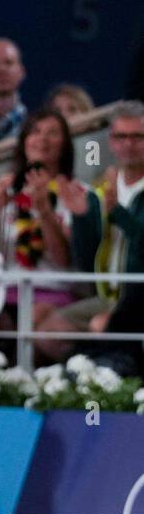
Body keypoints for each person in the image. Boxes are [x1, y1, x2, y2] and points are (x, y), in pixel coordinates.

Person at [0, 108, 78, 361]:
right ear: (23, 141)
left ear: (65, 145)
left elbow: (64, 258)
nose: (42, 140)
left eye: (52, 133)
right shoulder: (1, 189)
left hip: (52, 291)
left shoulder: (75, 194)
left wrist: (45, 211)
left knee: (30, 321)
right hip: (5, 291)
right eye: (35, 132)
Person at [64, 100, 144, 372]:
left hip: (137, 300)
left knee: (104, 327)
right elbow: (86, 260)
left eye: (137, 137)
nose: (128, 144)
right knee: (47, 332)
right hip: (104, 295)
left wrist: (119, 213)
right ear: (111, 141)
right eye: (121, 136)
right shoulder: (101, 187)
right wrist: (81, 218)